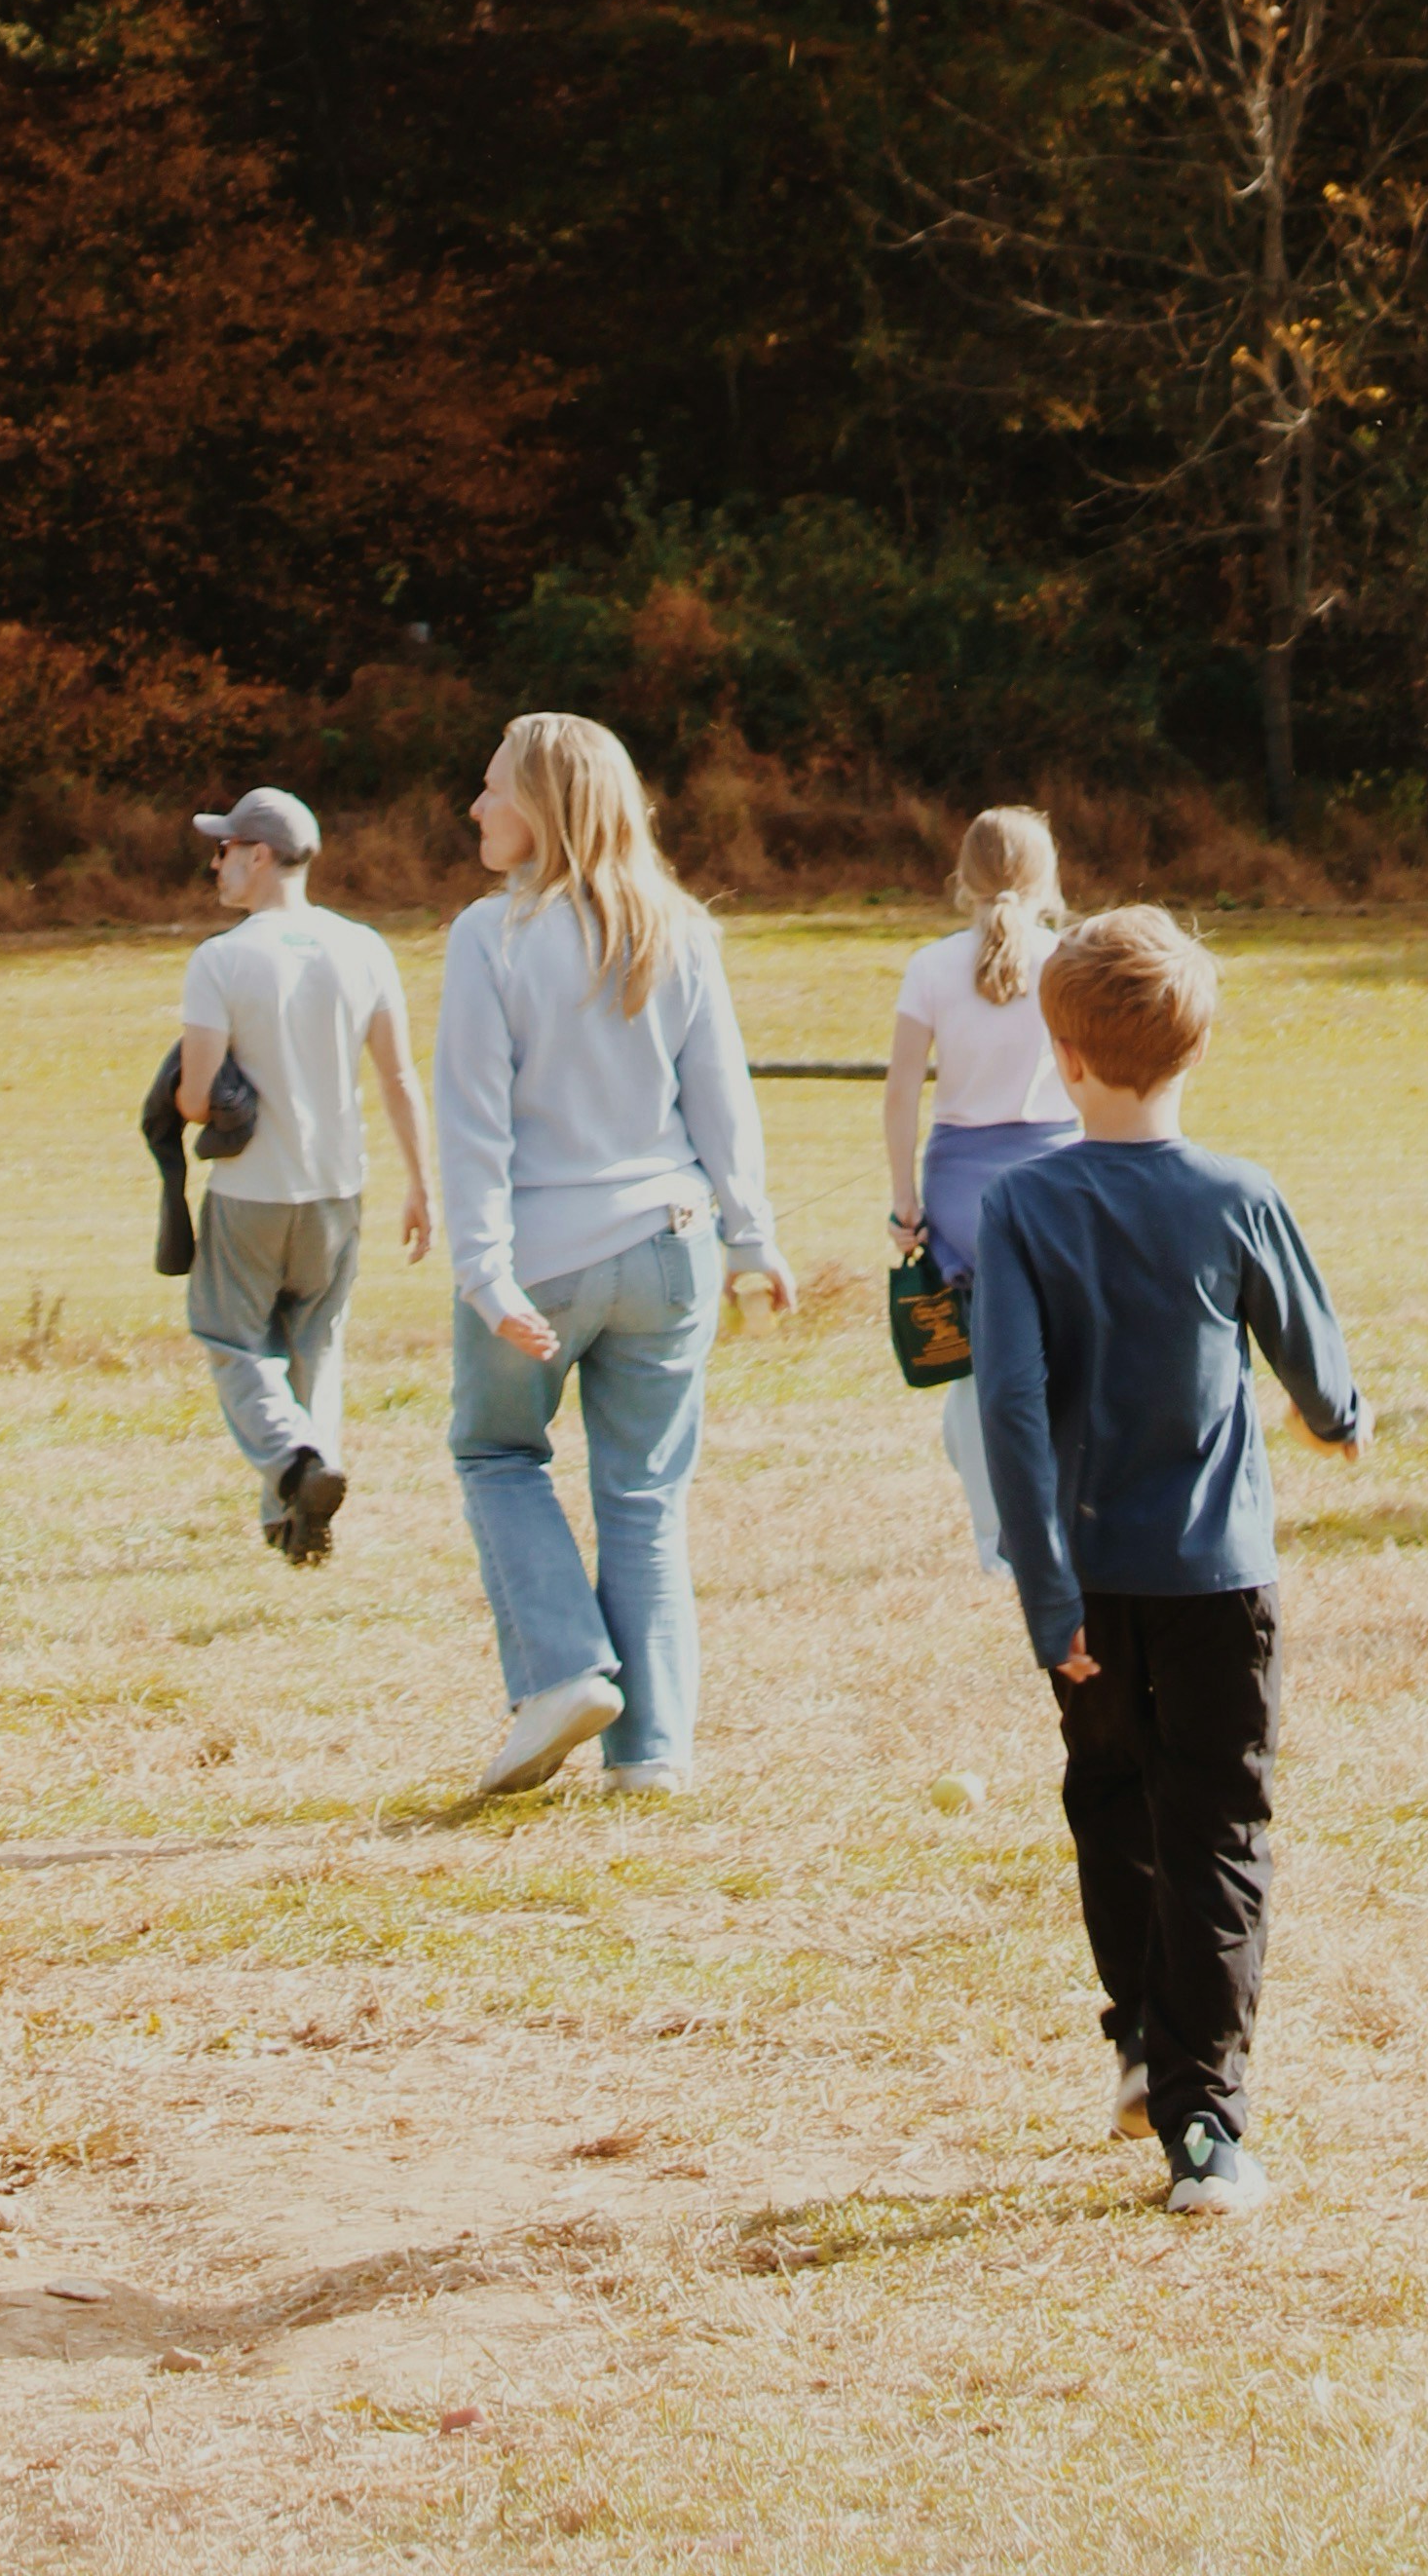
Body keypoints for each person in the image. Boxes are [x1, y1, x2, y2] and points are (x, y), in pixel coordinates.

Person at [970, 905, 1370, 2222]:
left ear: (1064, 1058)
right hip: (1217, 1579)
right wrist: (1342, 1419)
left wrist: (1047, 1595)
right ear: (1193, 1054)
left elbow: (1013, 1410)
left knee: (1111, 1802)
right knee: (1218, 1827)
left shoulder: (1024, 1206)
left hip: (1089, 1581)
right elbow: (1311, 1358)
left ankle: (1144, 2035)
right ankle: (1205, 2119)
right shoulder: (1236, 1195)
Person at [432, 712, 795, 1799]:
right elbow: (720, 1098)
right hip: (670, 1249)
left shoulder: (489, 936)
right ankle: (652, 1755)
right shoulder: (678, 926)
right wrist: (752, 1235)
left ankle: (561, 1673)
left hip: (540, 1256)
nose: (476, 805)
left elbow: (473, 1120)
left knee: (496, 1453)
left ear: (542, 807)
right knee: (643, 1498)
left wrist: (484, 1270)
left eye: (493, 788)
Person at [176, 785, 436, 1570]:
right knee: (314, 1345)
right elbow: (397, 1077)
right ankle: (295, 1515)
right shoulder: (364, 947)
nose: (216, 862)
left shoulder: (220, 959)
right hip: (337, 1190)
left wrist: (194, 1100)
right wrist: (422, 1184)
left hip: (251, 1192)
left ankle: (291, 1459)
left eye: (224, 849)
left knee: (231, 1338)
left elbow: (195, 1096)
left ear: (258, 857)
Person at [884, 807, 1078, 1579]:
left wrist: (905, 1202)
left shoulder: (930, 967)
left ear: (962, 878)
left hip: (962, 1180)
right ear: (1044, 878)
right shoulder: (1068, 959)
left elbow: (901, 1093)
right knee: (1056, 1355)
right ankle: (1061, 1515)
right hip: (1056, 1173)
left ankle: (997, 1540)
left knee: (972, 1367)